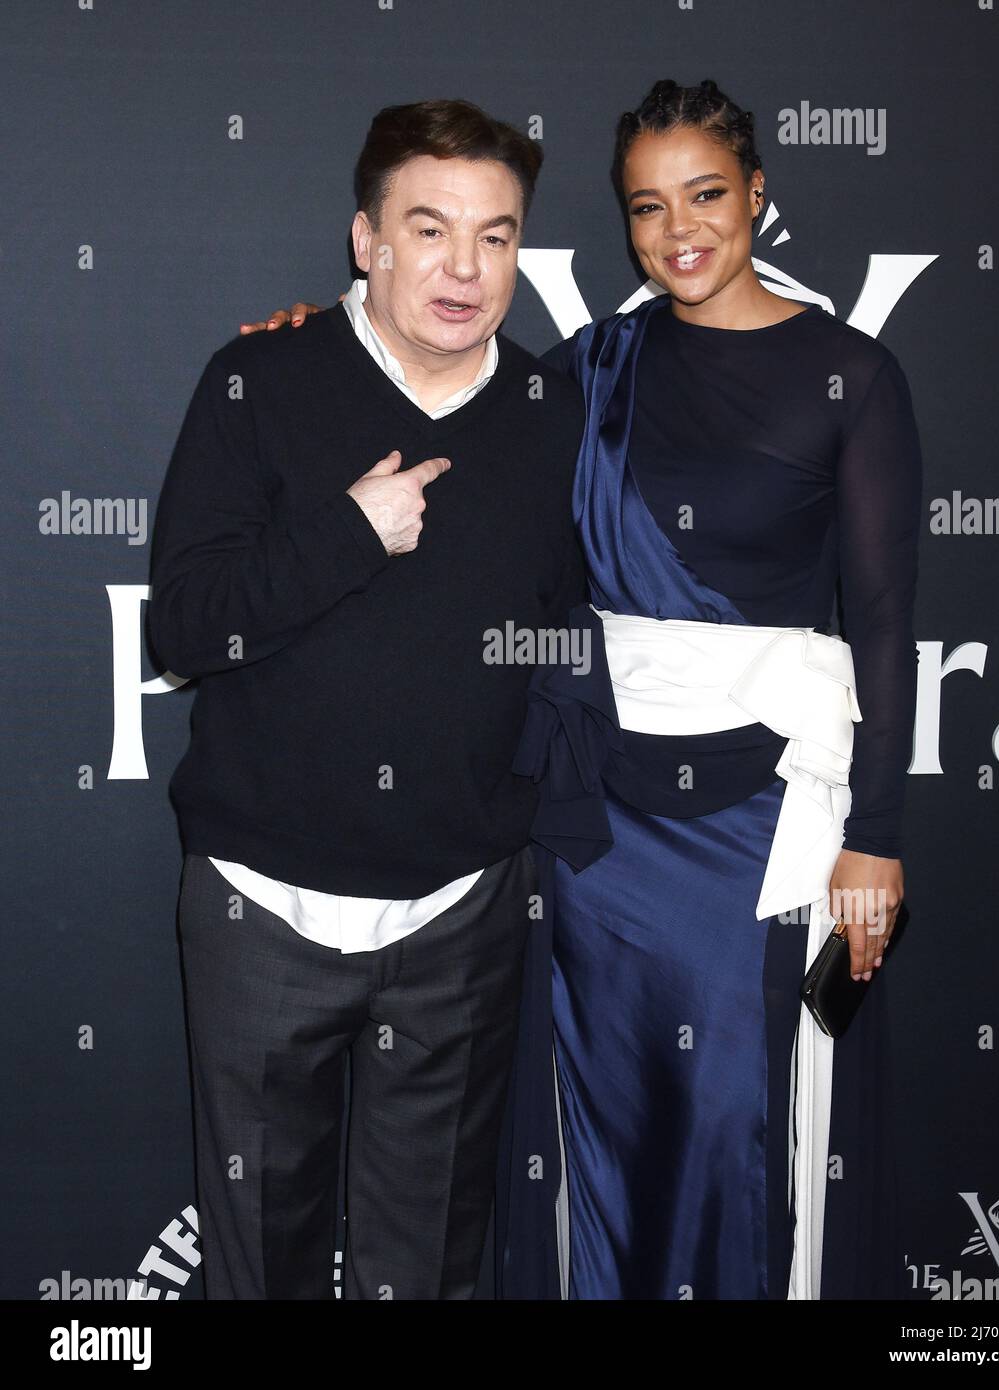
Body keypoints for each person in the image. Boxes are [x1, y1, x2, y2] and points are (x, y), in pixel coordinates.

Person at [249, 77, 923, 1301]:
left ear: (759, 196)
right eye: (647, 207)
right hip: (601, 822)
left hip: (760, 820)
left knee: (732, 1131)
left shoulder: (851, 377)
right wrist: (326, 337)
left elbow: (884, 625)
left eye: (707, 195)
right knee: (605, 1125)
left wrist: (874, 839)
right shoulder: (597, 365)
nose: (680, 232)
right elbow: (450, 384)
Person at [148, 98, 587, 1299]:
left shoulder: (558, 415)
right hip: (261, 912)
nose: (463, 267)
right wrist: (346, 533)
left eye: (496, 236)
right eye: (430, 228)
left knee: (430, 1271)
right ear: (366, 240)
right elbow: (184, 627)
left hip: (458, 918)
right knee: (262, 1273)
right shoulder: (259, 378)